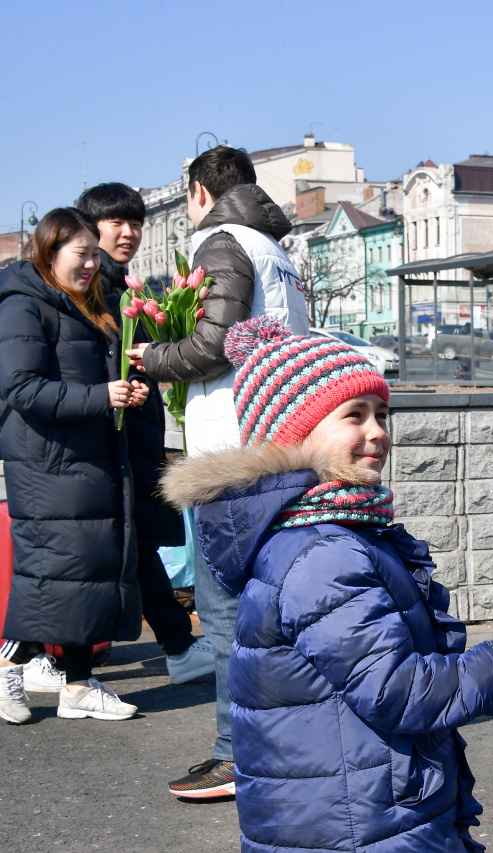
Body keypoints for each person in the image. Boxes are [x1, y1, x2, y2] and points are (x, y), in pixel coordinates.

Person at [159, 317, 493, 851]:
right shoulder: (321, 552)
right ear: (293, 433)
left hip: (355, 808)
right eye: (354, 415)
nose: (378, 431)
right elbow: (394, 689)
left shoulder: (332, 535)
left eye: (381, 414)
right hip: (358, 826)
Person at [125, 145, 310, 799]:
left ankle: (238, 755)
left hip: (232, 454)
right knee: (271, 610)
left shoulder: (222, 241)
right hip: (283, 444)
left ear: (199, 192)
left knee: (226, 612)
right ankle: (285, 745)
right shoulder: (279, 255)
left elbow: (213, 342)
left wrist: (153, 354)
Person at [0, 208, 150, 724]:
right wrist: (102, 395)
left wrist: (129, 386)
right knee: (52, 571)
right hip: (47, 460)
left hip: (90, 455)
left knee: (86, 571)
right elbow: (20, 388)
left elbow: (94, 375)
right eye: (80, 254)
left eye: (94, 254)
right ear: (49, 251)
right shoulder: (23, 303)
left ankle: (79, 687)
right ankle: (8, 669)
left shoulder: (90, 305)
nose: (91, 264)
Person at [76, 183, 216, 685]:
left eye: (135, 222)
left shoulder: (122, 287)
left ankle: (173, 645)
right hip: (105, 438)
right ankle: (27, 651)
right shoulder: (90, 289)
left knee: (131, 545)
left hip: (131, 433)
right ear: (88, 228)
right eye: (117, 222)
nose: (130, 232)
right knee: (113, 545)